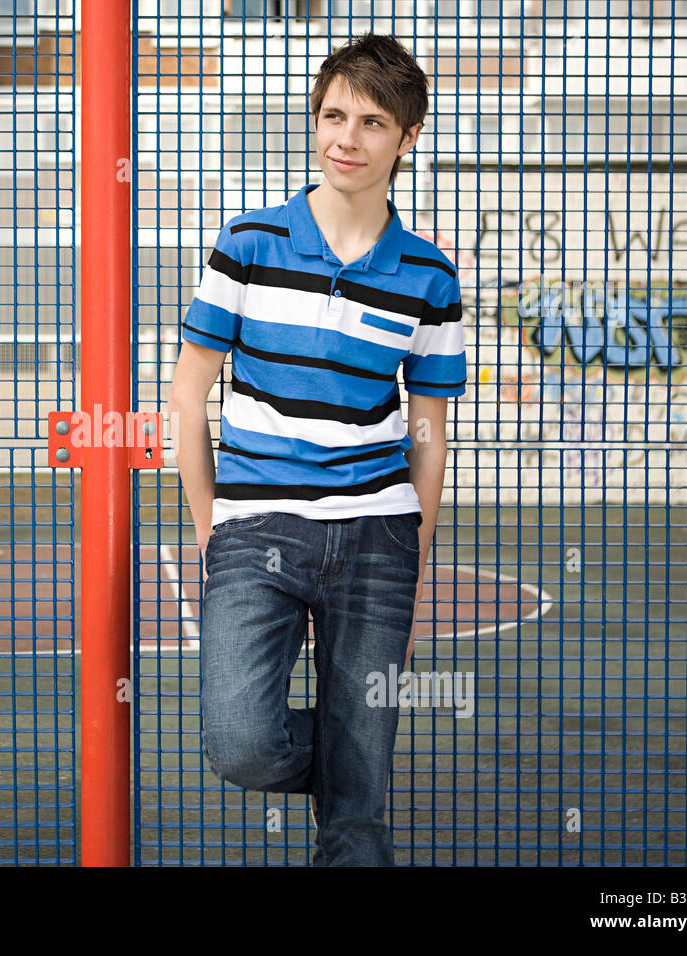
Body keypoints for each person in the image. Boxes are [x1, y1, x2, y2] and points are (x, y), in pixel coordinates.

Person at [167, 33, 467, 866]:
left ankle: (355, 774)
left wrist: (415, 546)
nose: (346, 137)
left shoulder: (429, 277)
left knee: (357, 820)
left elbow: (429, 428)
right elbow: (188, 397)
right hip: (256, 530)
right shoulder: (250, 243)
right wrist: (210, 524)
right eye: (333, 115)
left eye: (372, 122)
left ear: (407, 139)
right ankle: (351, 754)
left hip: (378, 534)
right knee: (241, 742)